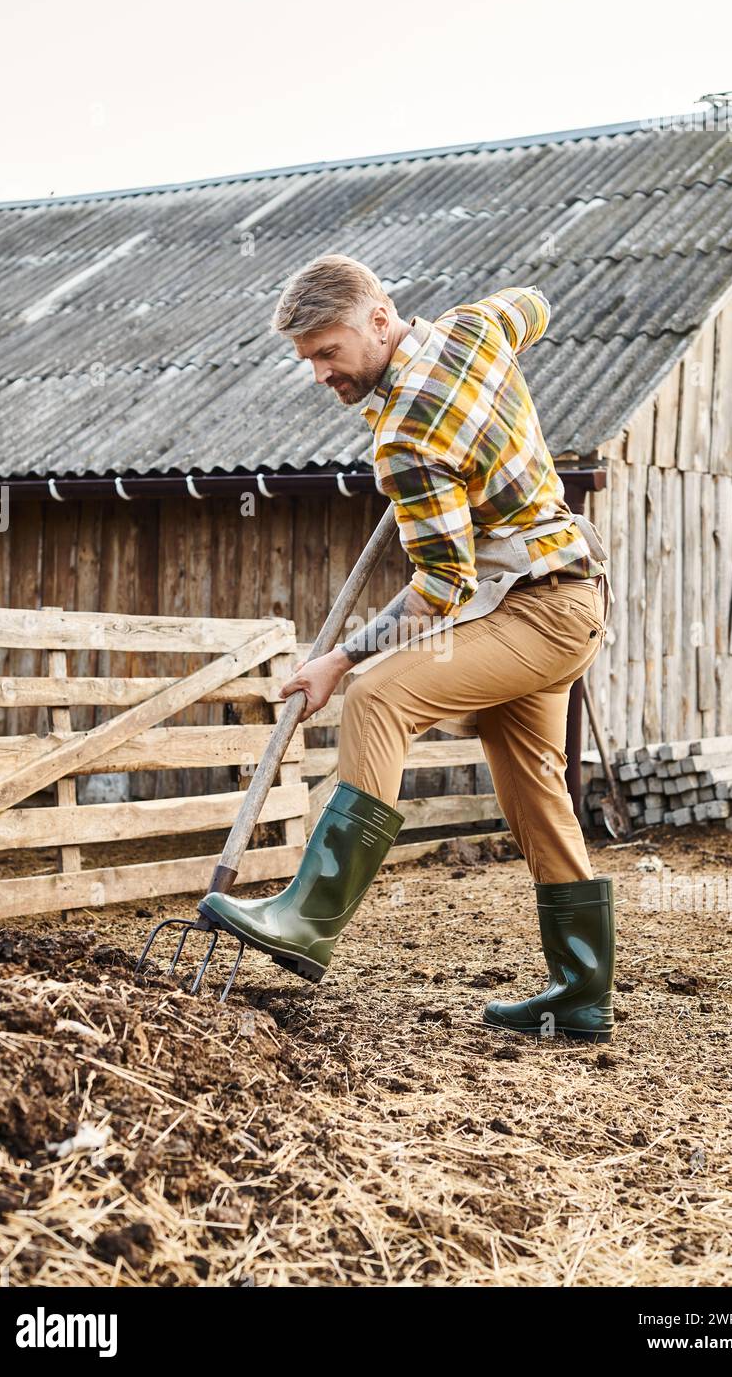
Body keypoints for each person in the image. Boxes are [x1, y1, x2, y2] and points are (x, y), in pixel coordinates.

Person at [200, 254, 616, 1041]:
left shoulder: (407, 436)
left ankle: (309, 917)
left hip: (538, 613)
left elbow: (443, 586)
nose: (320, 374)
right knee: (533, 788)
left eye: (329, 352)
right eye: (308, 359)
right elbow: (534, 303)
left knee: (379, 696)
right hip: (565, 593)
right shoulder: (475, 328)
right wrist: (492, 401)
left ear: (380, 319)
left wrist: (339, 660)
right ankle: (580, 991)